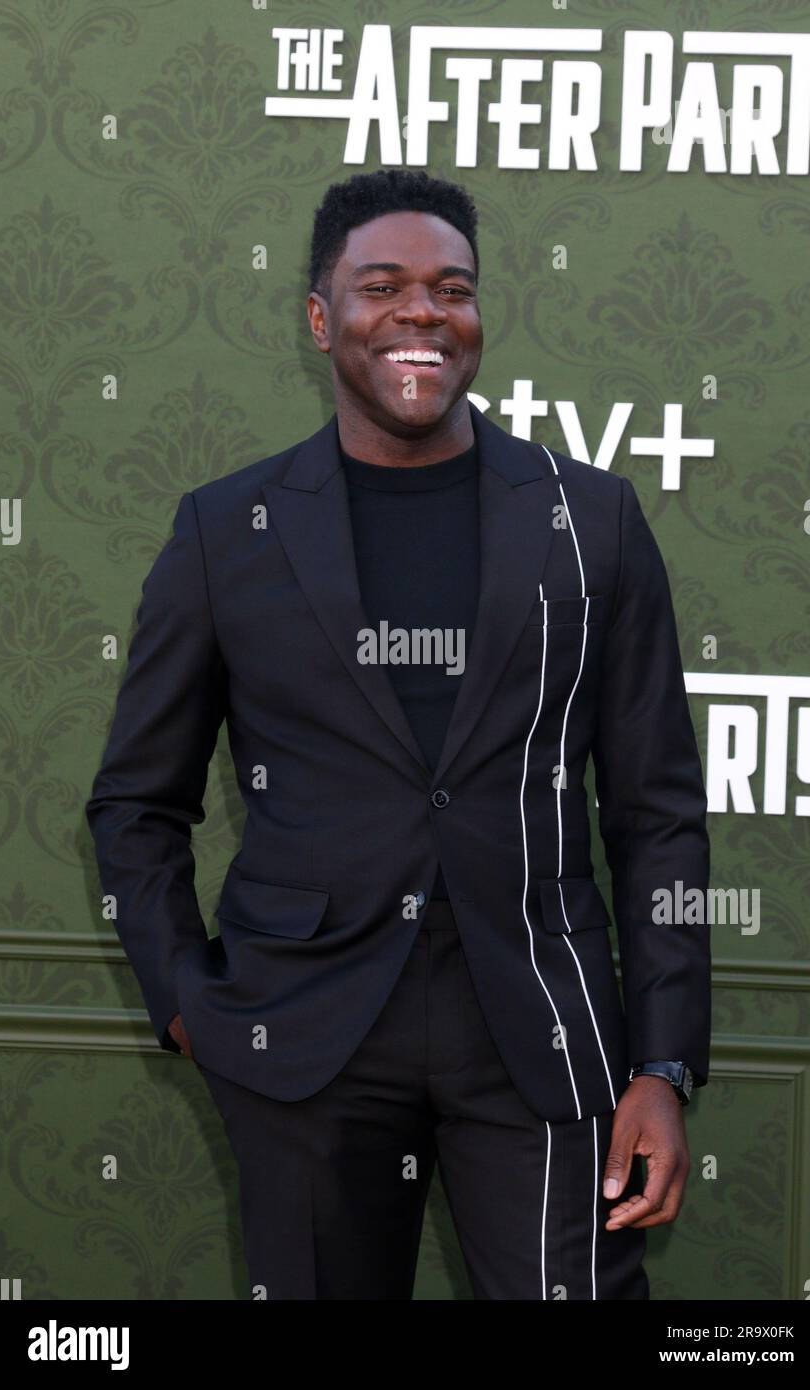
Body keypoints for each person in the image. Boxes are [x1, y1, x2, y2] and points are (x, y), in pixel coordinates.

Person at [86, 168, 711, 1301]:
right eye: (381, 286)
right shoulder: (229, 530)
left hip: (542, 1033)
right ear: (320, 319)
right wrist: (187, 1006)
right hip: (299, 1040)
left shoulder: (590, 520)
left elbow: (656, 811)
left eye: (451, 289)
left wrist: (662, 1064)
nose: (422, 311)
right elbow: (136, 802)